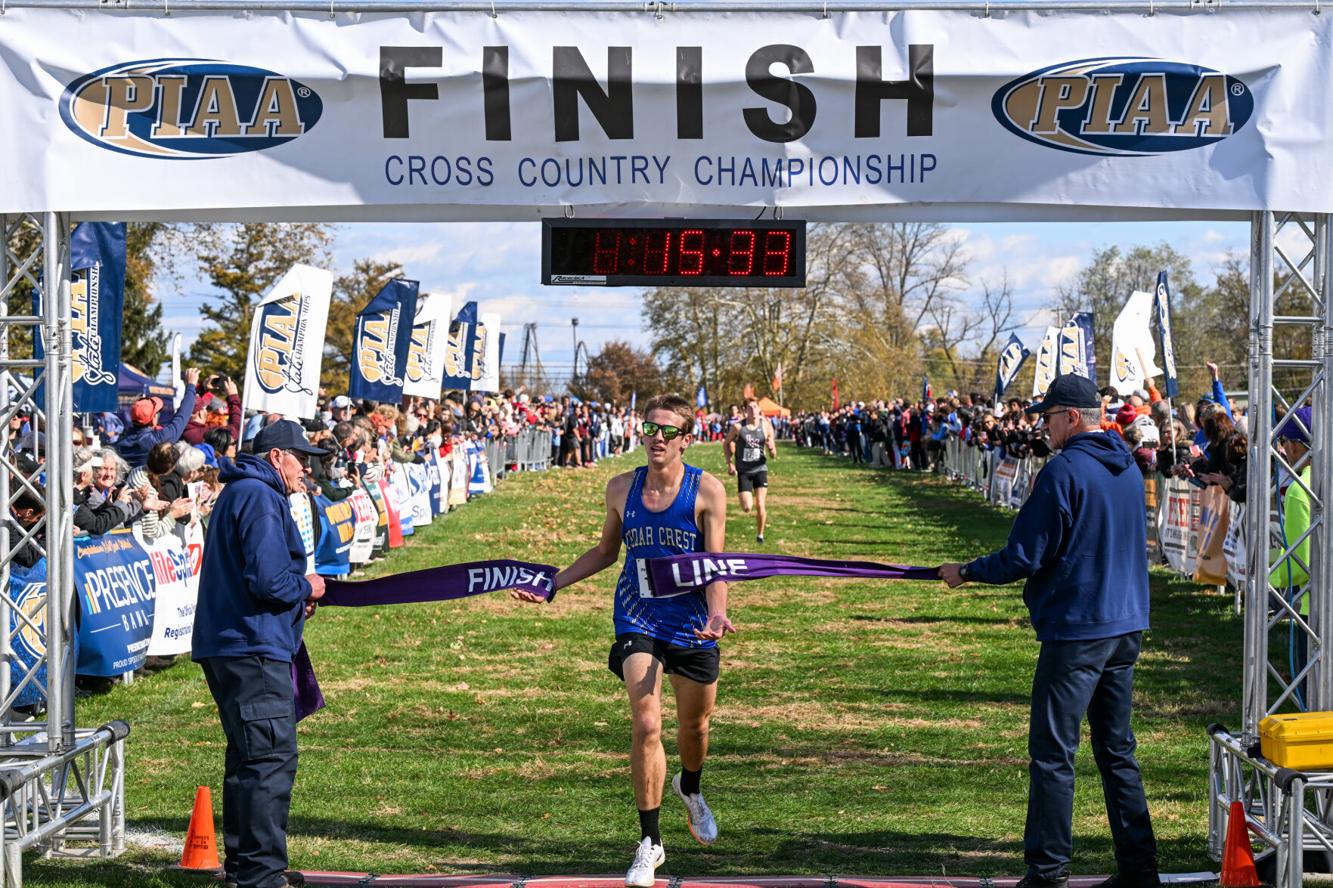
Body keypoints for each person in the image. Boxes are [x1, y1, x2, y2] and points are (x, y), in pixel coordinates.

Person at [938, 374, 1158, 888]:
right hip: (1125, 623)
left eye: (1050, 416)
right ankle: (1139, 867)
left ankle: (1048, 871)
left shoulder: (1064, 471)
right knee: (1116, 750)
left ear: (1072, 418)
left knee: (1054, 754)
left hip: (1079, 628)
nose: (1045, 425)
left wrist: (966, 570)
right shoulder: (1126, 466)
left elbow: (1023, 554)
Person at [515, 393, 733, 888]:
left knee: (694, 729)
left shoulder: (708, 492)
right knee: (647, 723)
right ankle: (650, 842)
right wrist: (551, 584)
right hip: (637, 617)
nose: (657, 437)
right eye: (651, 428)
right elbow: (605, 551)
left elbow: (715, 565)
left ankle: (690, 787)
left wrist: (718, 613)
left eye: (669, 431)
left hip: (693, 622)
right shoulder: (620, 488)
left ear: (687, 438)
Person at [192, 420, 329, 888]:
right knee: (269, 759)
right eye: (301, 459)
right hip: (250, 647)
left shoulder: (245, 492)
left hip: (237, 642)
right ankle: (260, 875)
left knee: (250, 758)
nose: (306, 469)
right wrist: (304, 586)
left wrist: (295, 598)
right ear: (276, 457)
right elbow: (269, 581)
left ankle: (247, 868)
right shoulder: (260, 497)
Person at [117, 368, 200, 467]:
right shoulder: (158, 440)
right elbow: (182, 415)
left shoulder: (122, 440)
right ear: (153, 419)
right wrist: (191, 385)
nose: (159, 415)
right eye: (158, 413)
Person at [724, 397, 777, 544]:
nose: (753, 410)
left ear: (759, 409)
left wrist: (772, 449)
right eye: (749, 408)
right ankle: (756, 527)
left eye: (755, 407)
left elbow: (773, 454)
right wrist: (729, 463)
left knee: (761, 504)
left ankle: (760, 535)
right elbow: (726, 443)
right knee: (747, 507)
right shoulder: (738, 427)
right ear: (745, 411)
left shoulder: (766, 426)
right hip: (744, 471)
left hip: (760, 468)